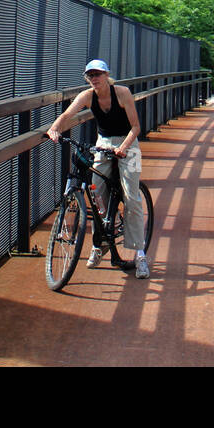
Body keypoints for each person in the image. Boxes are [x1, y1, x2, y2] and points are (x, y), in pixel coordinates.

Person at [46, 59, 149, 279]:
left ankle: (140, 254)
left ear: (106, 75)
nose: (94, 79)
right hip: (103, 143)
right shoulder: (87, 96)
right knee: (97, 194)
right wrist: (54, 129)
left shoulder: (122, 93)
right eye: (90, 75)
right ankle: (99, 245)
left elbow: (136, 127)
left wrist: (123, 148)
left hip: (127, 143)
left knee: (131, 198)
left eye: (98, 74)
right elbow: (67, 115)